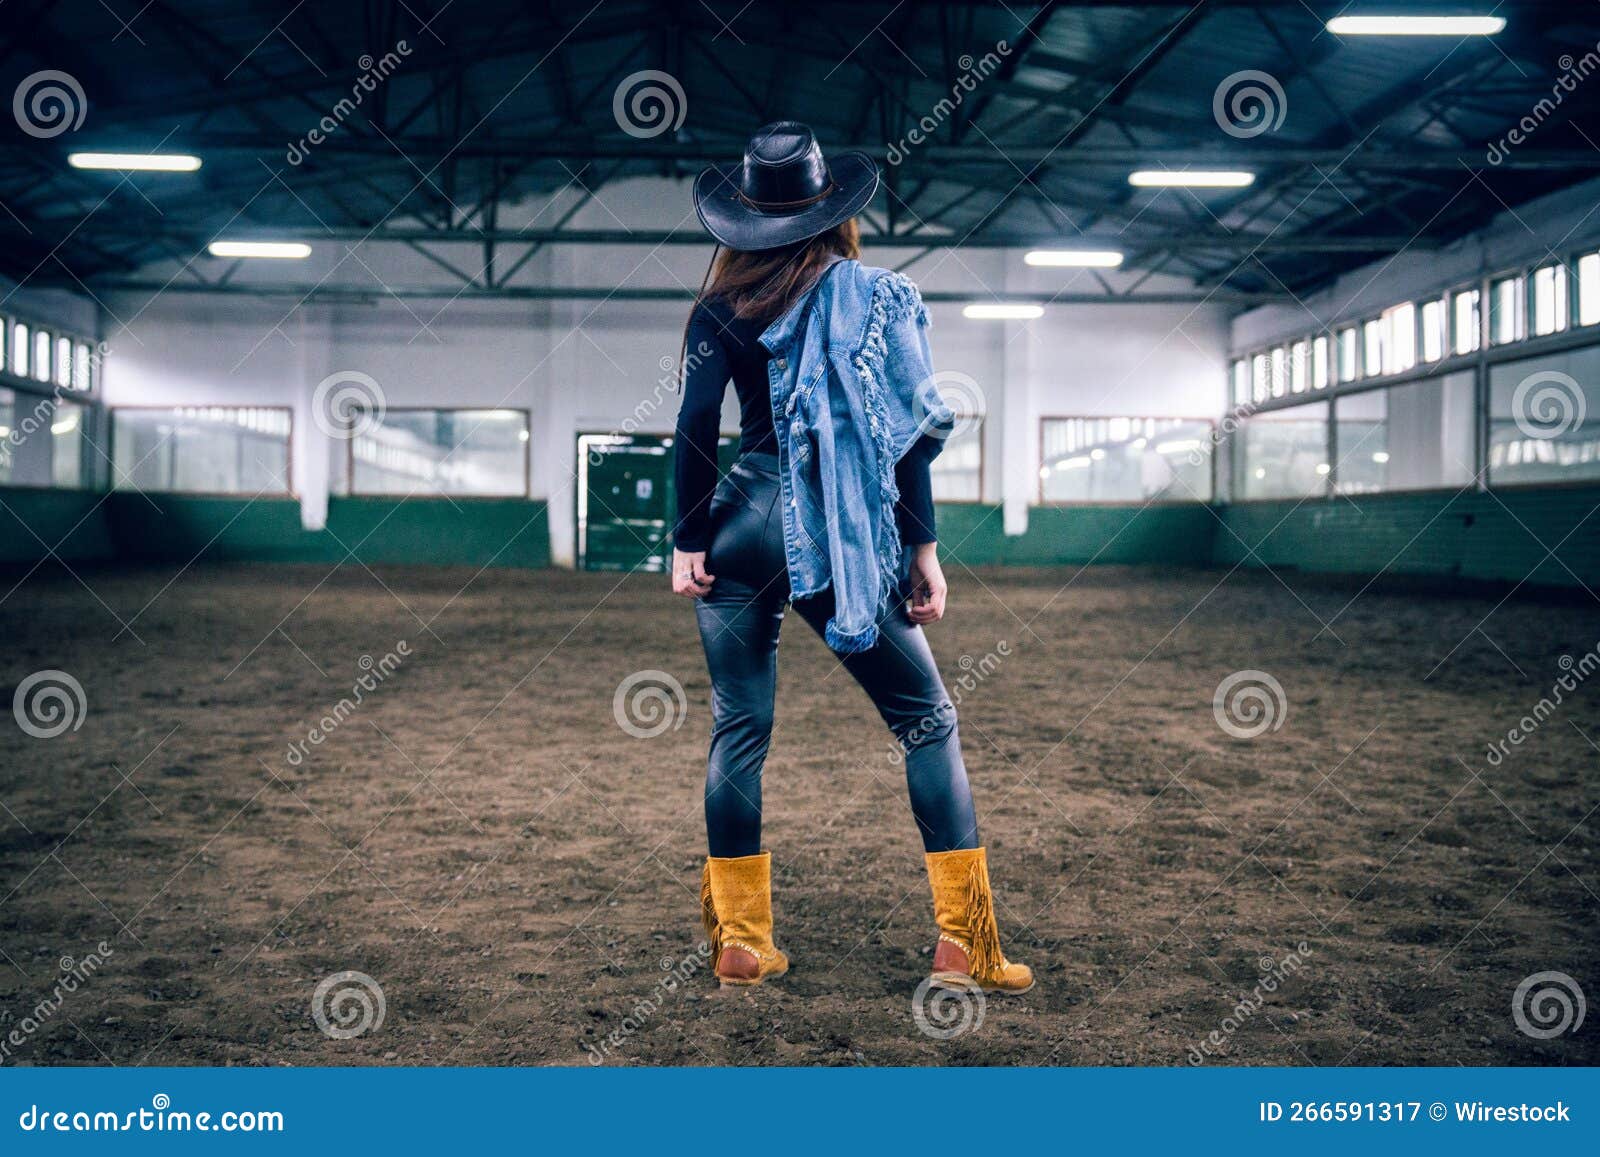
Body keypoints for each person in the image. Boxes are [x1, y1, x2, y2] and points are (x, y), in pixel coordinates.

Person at [673, 122, 1032, 996]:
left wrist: (686, 540)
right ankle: (965, 943)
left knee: (739, 729)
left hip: (733, 521)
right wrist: (923, 548)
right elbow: (903, 437)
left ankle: (742, 943)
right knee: (928, 721)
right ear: (834, 212)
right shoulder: (879, 299)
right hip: (827, 525)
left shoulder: (716, 304)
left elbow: (692, 426)